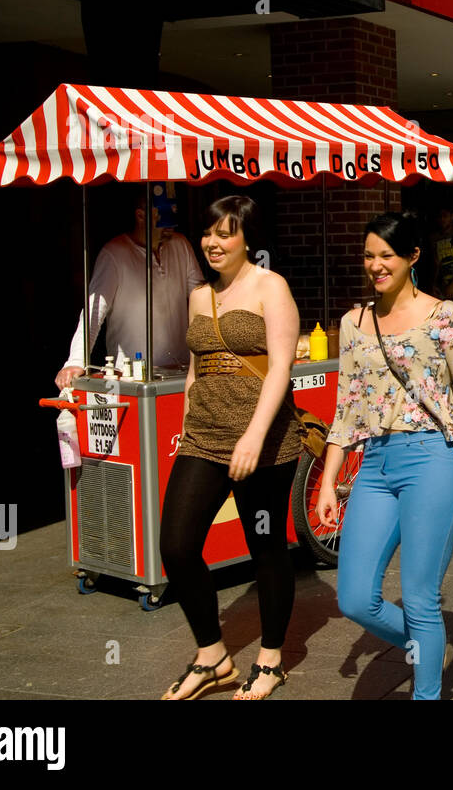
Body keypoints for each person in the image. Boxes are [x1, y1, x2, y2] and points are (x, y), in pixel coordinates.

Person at [316, 212, 453, 700]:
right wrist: (327, 481)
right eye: (368, 256)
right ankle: (427, 642)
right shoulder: (354, 324)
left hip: (434, 461)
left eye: (386, 256)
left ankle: (427, 690)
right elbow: (346, 409)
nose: (375, 266)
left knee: (421, 598)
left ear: (412, 258)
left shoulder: (447, 317)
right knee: (355, 597)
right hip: (376, 464)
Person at [160, 195, 304, 700]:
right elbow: (197, 370)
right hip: (203, 436)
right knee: (176, 547)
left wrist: (253, 436)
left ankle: (270, 657)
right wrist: (184, 429)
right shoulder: (200, 296)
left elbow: (281, 369)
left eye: (226, 234)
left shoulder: (272, 287)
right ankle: (212, 654)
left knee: (264, 547)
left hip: (263, 441)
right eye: (208, 234)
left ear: (248, 239)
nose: (213, 243)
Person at [55, 189, 204, 388]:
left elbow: (201, 298)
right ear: (141, 215)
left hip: (180, 372)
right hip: (131, 376)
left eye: (174, 212)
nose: (171, 223)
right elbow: (94, 310)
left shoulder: (181, 245)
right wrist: (76, 361)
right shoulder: (114, 254)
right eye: (163, 214)